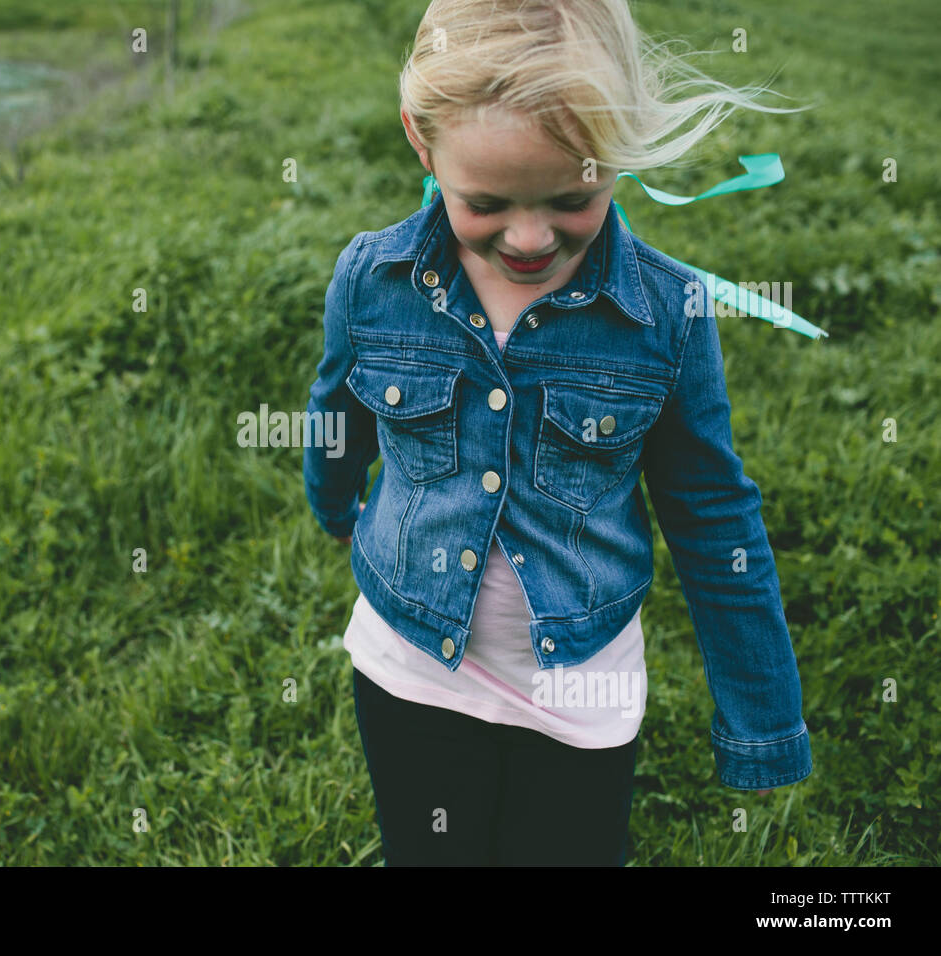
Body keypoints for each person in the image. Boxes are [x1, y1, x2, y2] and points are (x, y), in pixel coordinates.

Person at [303, 0, 814, 866]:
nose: (531, 237)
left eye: (573, 198)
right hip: (410, 669)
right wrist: (335, 502)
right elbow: (335, 414)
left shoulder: (666, 314)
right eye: (487, 202)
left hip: (582, 689)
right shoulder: (373, 280)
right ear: (422, 143)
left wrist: (762, 721)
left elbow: (712, 514)